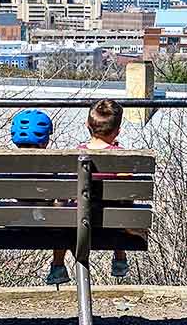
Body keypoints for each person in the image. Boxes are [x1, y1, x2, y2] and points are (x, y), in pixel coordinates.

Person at [46, 98, 130, 286]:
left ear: (87, 126)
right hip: (109, 223)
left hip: (74, 223)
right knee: (123, 206)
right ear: (117, 130)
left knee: (62, 210)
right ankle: (119, 257)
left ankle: (58, 265)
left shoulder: (74, 155)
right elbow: (127, 189)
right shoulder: (121, 156)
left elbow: (63, 189)